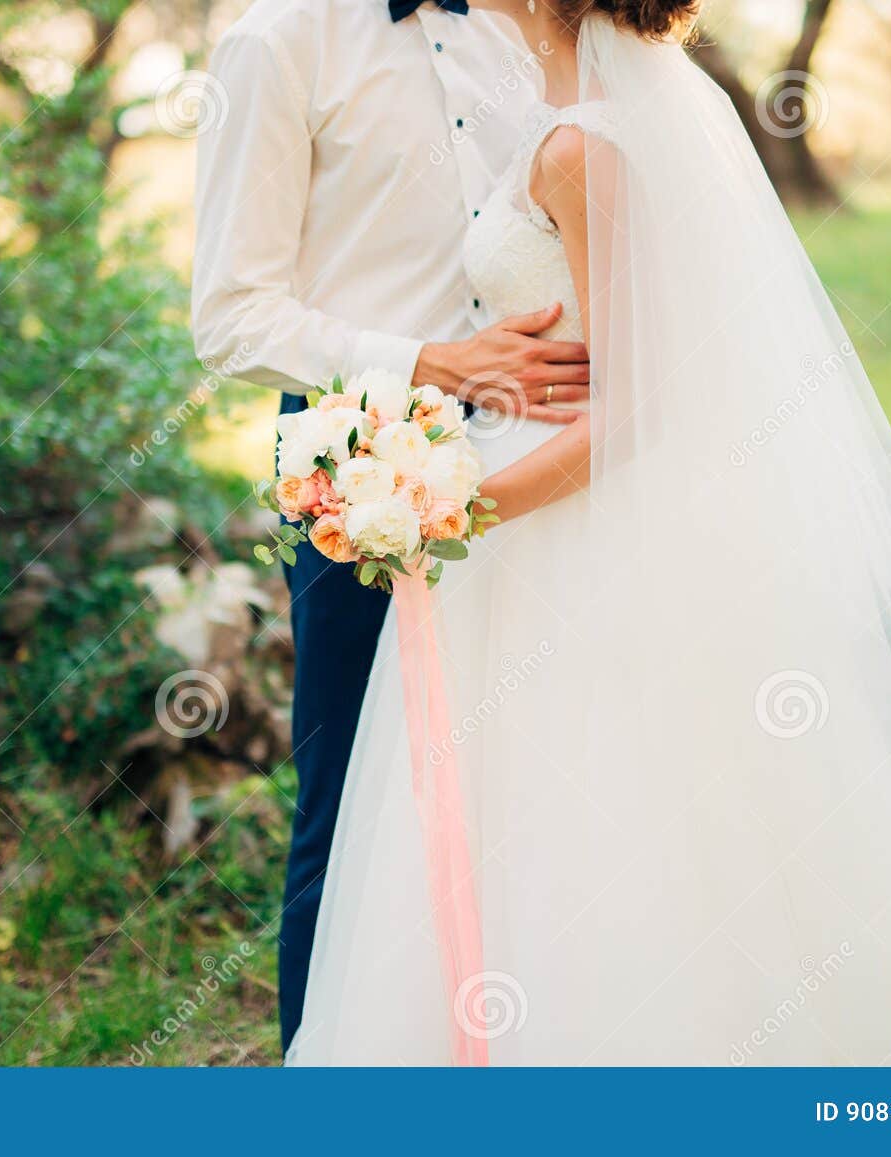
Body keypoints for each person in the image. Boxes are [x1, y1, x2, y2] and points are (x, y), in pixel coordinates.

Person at [283, 0, 891, 1064]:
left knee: (603, 813)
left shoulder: (581, 145)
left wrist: (454, 512)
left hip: (557, 531)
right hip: (542, 526)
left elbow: (642, 406)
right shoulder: (578, 117)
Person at [191, 0, 590, 1054]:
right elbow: (229, 315)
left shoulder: (537, 26)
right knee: (356, 800)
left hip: (549, 457)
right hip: (367, 460)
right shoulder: (275, 43)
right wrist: (427, 363)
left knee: (540, 787)